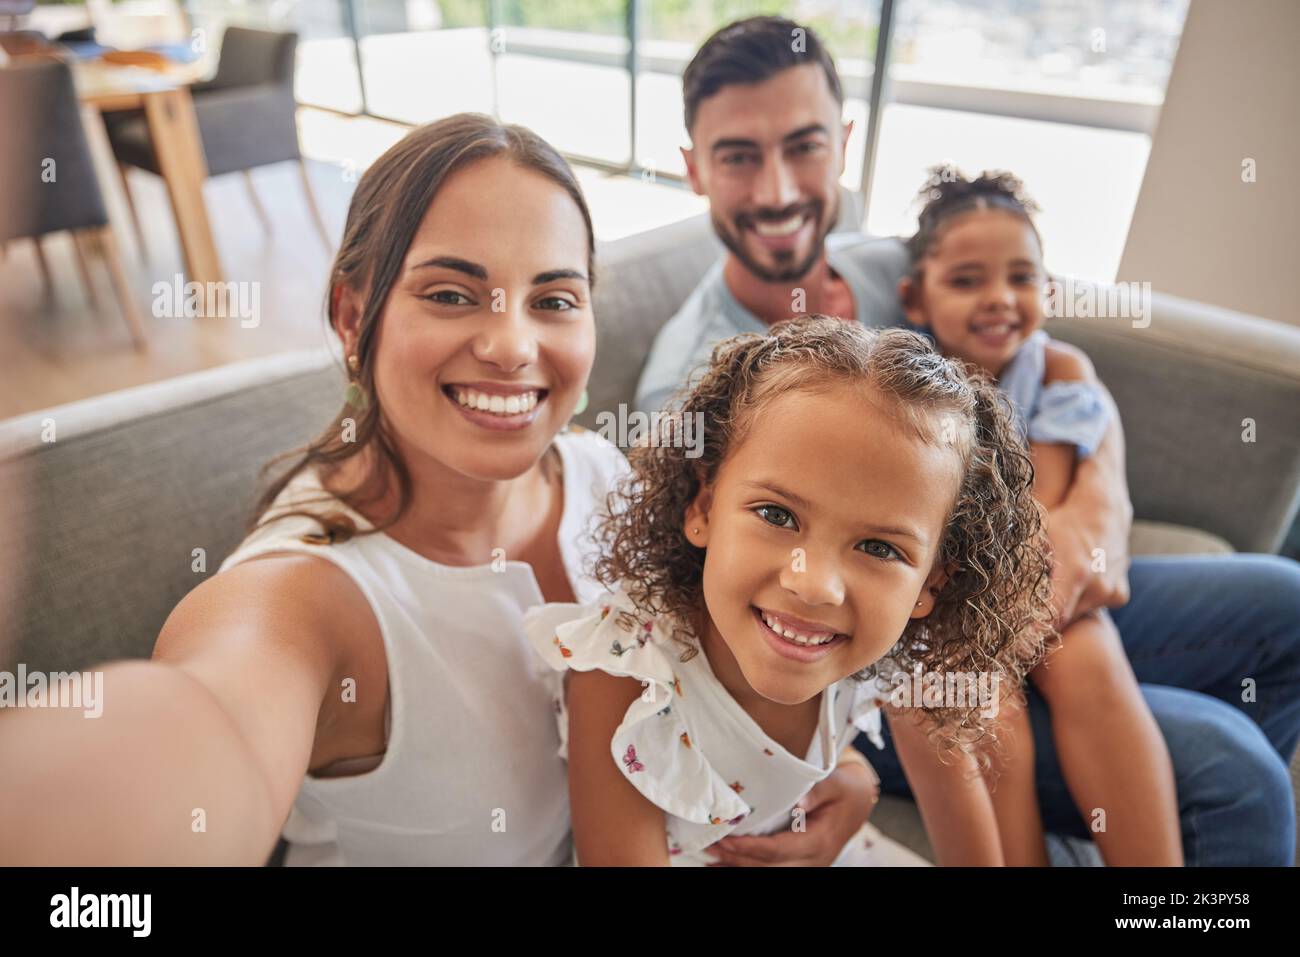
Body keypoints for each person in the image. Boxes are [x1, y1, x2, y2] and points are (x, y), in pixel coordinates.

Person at [0, 113, 877, 866]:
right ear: (353, 316)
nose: (511, 345)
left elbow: (718, 689)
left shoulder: (615, 479)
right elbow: (207, 727)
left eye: (554, 298)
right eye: (454, 294)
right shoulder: (303, 596)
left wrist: (823, 769)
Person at [635, 15, 1300, 865]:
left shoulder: (887, 270)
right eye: (737, 155)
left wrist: (1093, 509)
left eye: (802, 145)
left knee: (1285, 604)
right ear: (693, 167)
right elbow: (725, 604)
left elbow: (1058, 363)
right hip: (890, 650)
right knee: (1231, 766)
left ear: (843, 144)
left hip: (1017, 575)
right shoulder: (687, 382)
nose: (775, 188)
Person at [526, 318, 1053, 865]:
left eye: (878, 548)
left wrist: (854, 777)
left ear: (931, 582)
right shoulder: (622, 675)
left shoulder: (902, 657)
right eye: (777, 515)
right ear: (703, 507)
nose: (814, 585)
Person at [900, 166, 1181, 865]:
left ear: (1045, 290)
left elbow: (1042, 511)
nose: (999, 299)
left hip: (1033, 576)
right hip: (943, 599)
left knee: (1090, 656)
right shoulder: (905, 384)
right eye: (967, 281)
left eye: (1021, 278)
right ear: (916, 296)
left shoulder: (1054, 374)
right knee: (981, 701)